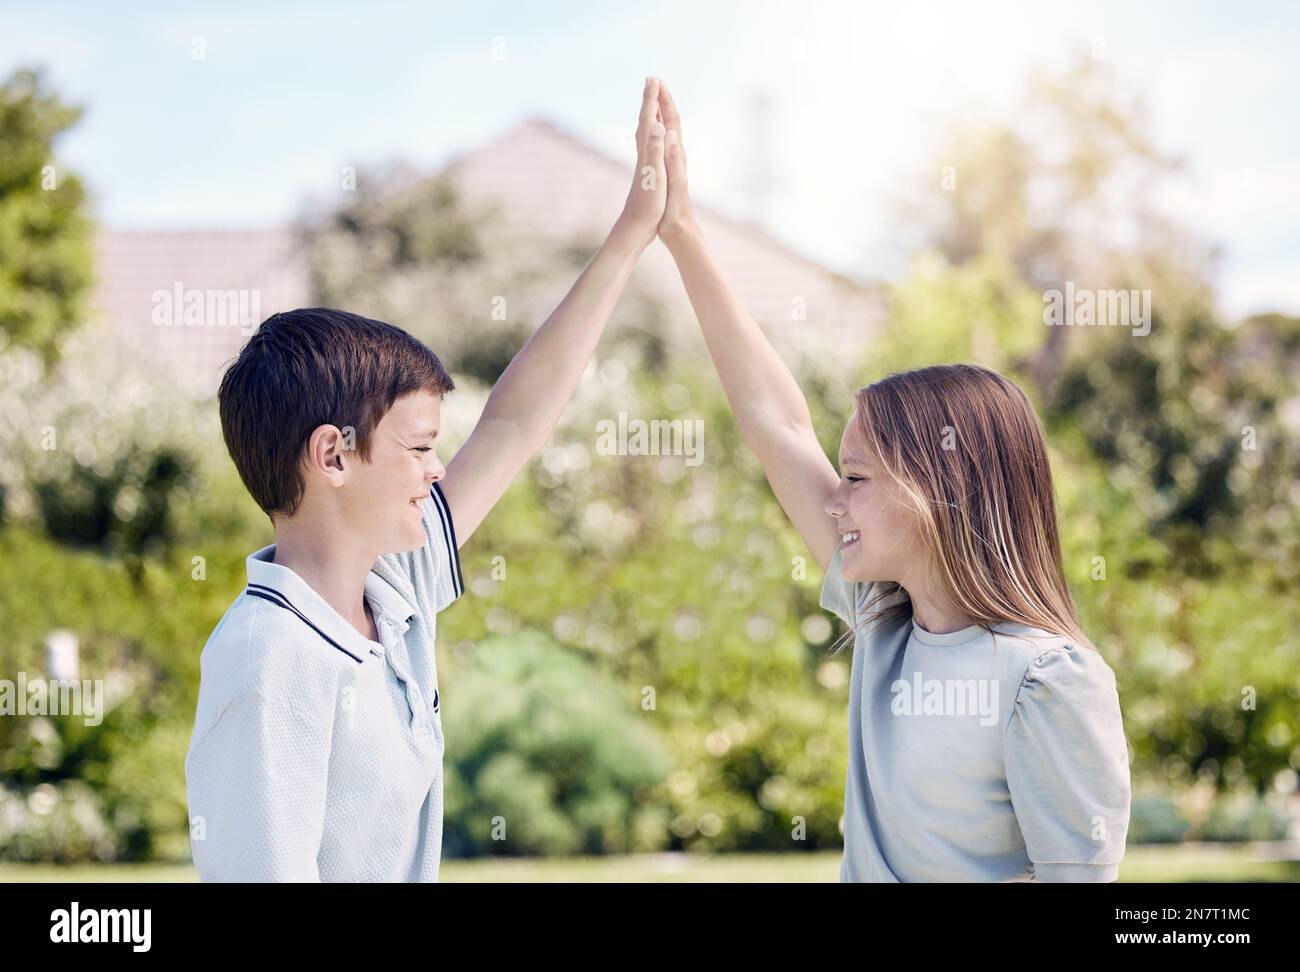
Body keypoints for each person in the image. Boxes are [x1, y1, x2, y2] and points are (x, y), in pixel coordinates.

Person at [184, 78, 670, 881]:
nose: (438, 470)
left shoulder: (391, 588)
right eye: (417, 449)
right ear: (333, 457)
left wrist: (628, 238)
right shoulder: (266, 660)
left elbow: (513, 425)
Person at [653, 81, 1131, 882]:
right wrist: (685, 235)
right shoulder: (882, 622)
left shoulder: (1045, 679)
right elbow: (777, 427)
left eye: (856, 477)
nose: (833, 499)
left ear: (940, 494)